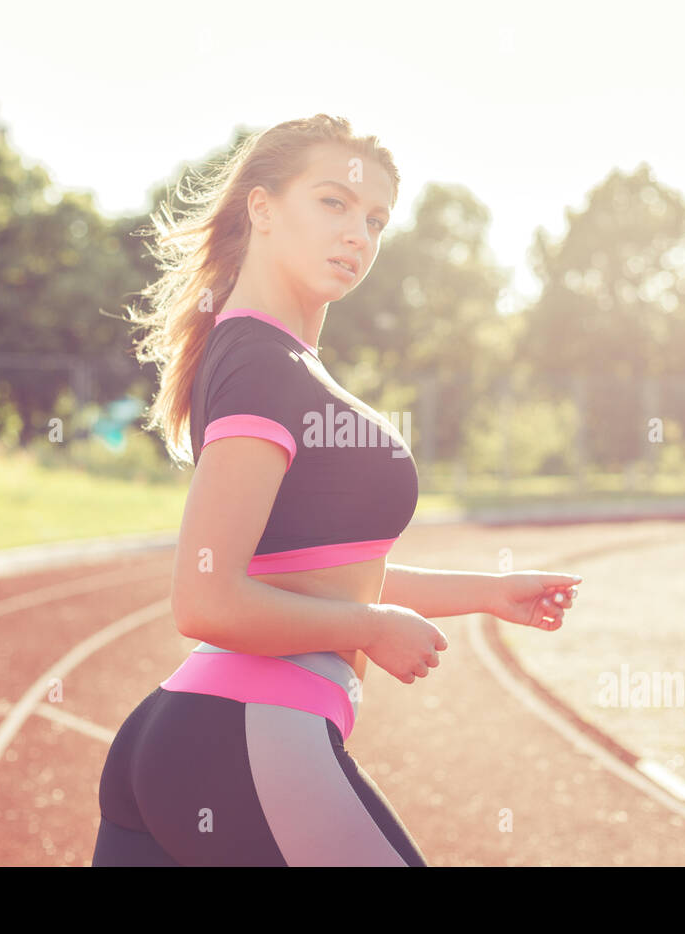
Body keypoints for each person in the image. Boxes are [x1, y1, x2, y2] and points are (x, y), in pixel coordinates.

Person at [91, 114, 581, 866]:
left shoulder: (276, 360)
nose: (359, 234)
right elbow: (205, 600)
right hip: (247, 740)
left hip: (193, 741)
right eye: (333, 203)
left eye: (376, 219)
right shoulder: (260, 364)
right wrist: (374, 629)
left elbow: (318, 579)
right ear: (261, 208)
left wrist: (486, 591)